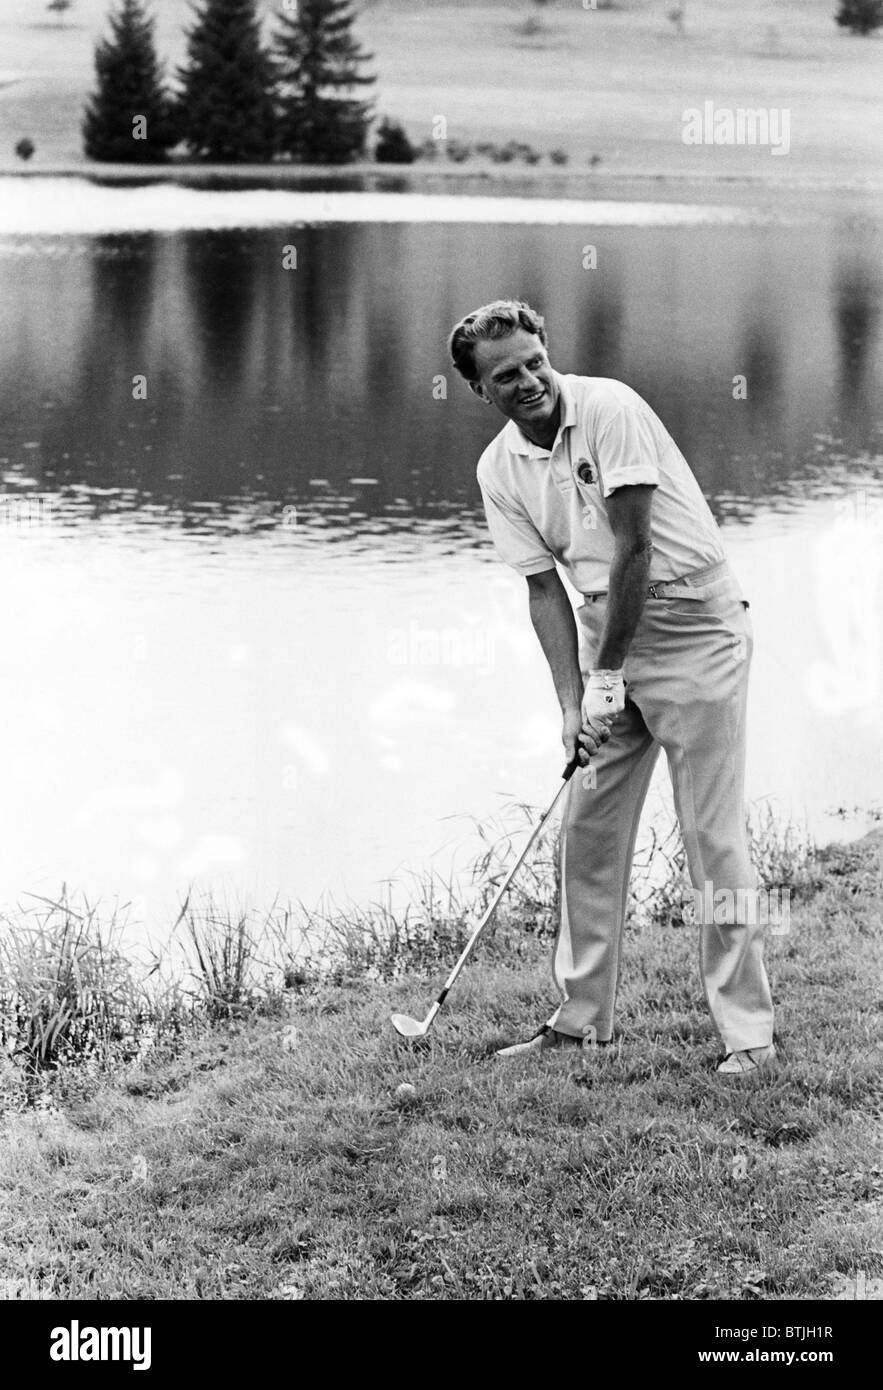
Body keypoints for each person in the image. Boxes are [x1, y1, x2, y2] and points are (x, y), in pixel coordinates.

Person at [448, 299, 775, 1075]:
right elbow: (541, 591)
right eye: (505, 375)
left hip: (693, 624)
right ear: (477, 390)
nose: (528, 380)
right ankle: (580, 1019)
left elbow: (634, 551)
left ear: (546, 351)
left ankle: (747, 1033)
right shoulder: (499, 469)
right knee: (587, 830)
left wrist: (604, 680)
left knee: (711, 838)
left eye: (534, 361)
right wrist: (572, 702)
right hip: (606, 635)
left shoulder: (610, 407)